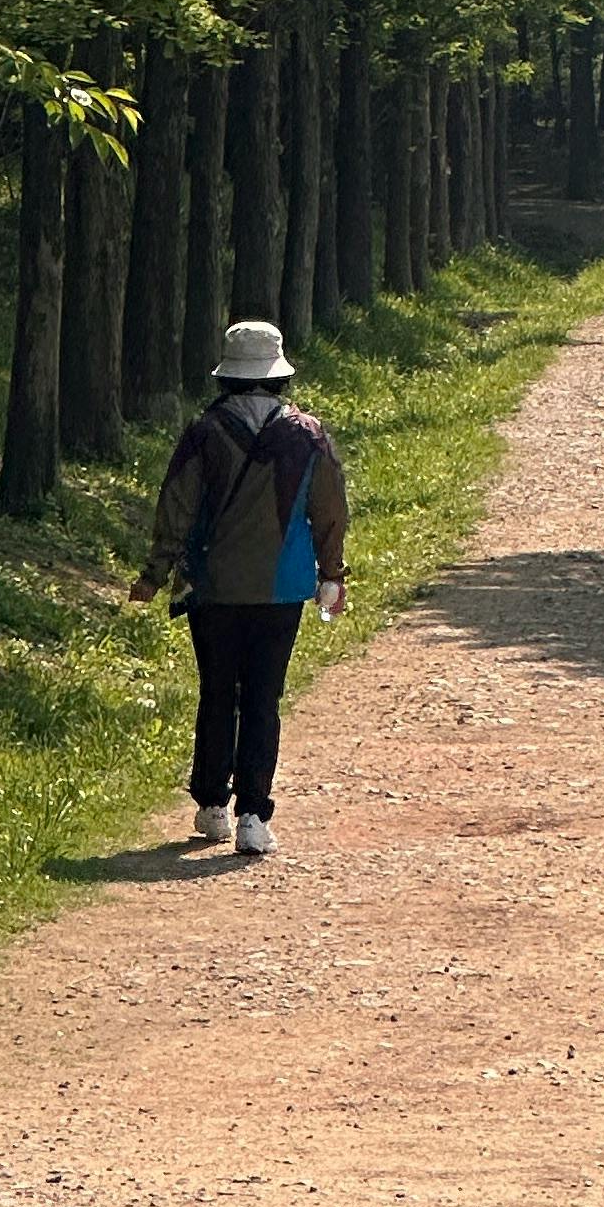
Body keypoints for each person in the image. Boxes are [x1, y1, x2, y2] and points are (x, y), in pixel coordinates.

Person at [131, 316, 348, 854]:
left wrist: (155, 573)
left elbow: (176, 507)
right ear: (280, 376)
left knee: (216, 691)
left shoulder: (204, 433)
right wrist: (331, 574)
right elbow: (329, 511)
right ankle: (253, 813)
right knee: (262, 698)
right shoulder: (308, 434)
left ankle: (211, 805)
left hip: (214, 586)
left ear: (227, 376)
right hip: (282, 589)